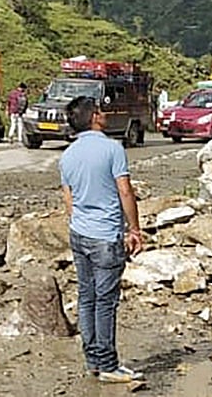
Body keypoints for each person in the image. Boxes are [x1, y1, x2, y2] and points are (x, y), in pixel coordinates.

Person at [59, 96, 145, 384]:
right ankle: (108, 364)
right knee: (105, 302)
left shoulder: (67, 155)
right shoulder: (112, 148)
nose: (105, 114)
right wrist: (134, 229)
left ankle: (93, 361)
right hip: (105, 236)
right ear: (94, 116)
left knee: (87, 297)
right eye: (101, 110)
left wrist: (79, 222)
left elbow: (68, 199)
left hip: (79, 234)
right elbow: (125, 191)